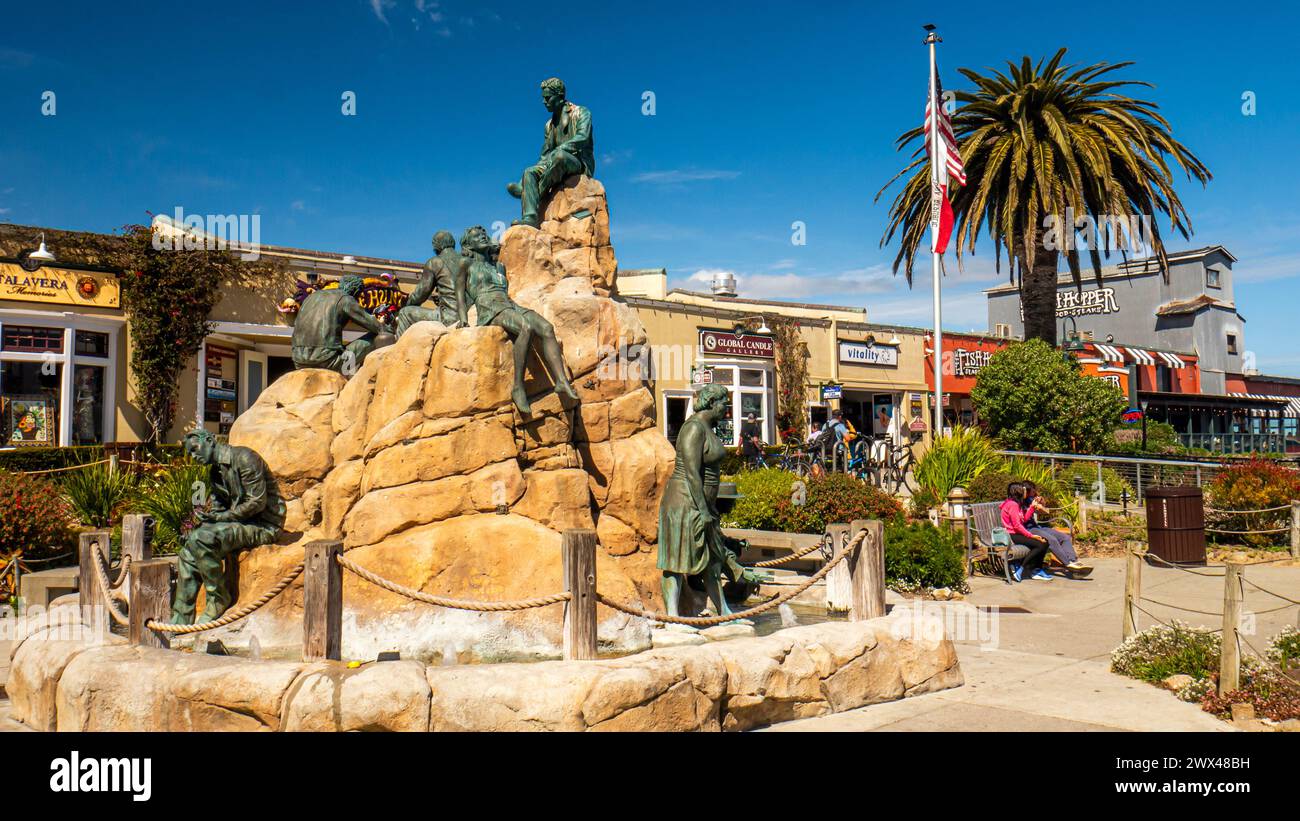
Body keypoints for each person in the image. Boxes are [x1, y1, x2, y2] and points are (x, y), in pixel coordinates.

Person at [658, 384, 767, 626]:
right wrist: (702, 509)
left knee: (711, 561)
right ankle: (672, 619)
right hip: (684, 503)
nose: (726, 411)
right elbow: (692, 473)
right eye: (724, 406)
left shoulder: (706, 427)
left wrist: (709, 509)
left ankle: (724, 612)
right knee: (675, 561)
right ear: (711, 403)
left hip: (702, 503)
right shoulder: (694, 429)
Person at [457, 225, 579, 413]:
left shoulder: (499, 266)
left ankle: (561, 382)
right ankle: (518, 387)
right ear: (468, 245)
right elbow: (459, 294)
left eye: (483, 234)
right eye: (476, 236)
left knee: (546, 328)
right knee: (525, 327)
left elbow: (505, 292)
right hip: (489, 307)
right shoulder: (466, 264)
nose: (482, 236)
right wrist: (463, 320)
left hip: (508, 303)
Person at [171, 429, 285, 624]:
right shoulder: (215, 472)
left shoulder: (245, 458)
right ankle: (181, 619)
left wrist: (222, 517)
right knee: (189, 548)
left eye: (194, 449)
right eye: (189, 453)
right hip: (239, 522)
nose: (193, 456)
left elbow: (257, 502)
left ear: (209, 440)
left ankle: (218, 597)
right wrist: (205, 520)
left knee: (203, 539)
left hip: (263, 525)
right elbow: (219, 507)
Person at [506, 77, 595, 228]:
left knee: (559, 157)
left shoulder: (581, 112)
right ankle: (530, 216)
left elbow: (583, 137)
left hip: (578, 162)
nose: (544, 102)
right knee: (529, 172)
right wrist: (531, 175)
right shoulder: (549, 125)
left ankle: (533, 193)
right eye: (543, 98)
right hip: (555, 161)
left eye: (548, 98)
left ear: (559, 96)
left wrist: (562, 148)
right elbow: (545, 154)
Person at [291, 274, 393, 374]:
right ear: (355, 291)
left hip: (298, 360)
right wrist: (393, 330)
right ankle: (348, 381)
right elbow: (377, 327)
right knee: (381, 336)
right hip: (328, 361)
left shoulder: (310, 297)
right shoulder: (346, 299)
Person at [395, 230, 465, 336]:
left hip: (449, 317)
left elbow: (420, 295)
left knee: (405, 313)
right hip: (466, 314)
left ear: (436, 246)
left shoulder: (434, 262)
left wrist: (406, 305)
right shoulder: (466, 260)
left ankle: (400, 351)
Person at [1022, 481, 1093, 577]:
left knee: (1064, 537)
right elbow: (1021, 520)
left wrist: (1040, 503)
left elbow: (1044, 512)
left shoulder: (1030, 499)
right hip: (1027, 530)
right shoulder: (1019, 502)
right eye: (1034, 489)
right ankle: (1068, 564)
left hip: (1036, 527)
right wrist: (1032, 508)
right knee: (1051, 539)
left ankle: (1073, 561)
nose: (1035, 491)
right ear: (1027, 490)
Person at [1000, 482, 1051, 582]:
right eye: (1023, 490)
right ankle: (1022, 569)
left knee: (1044, 542)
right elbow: (1017, 526)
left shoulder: (1016, 503)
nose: (1025, 491)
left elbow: (1023, 520)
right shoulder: (1012, 505)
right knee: (1041, 544)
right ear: (1017, 491)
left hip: (1017, 533)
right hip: (1012, 535)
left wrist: (1032, 507)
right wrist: (1031, 536)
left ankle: (1035, 569)